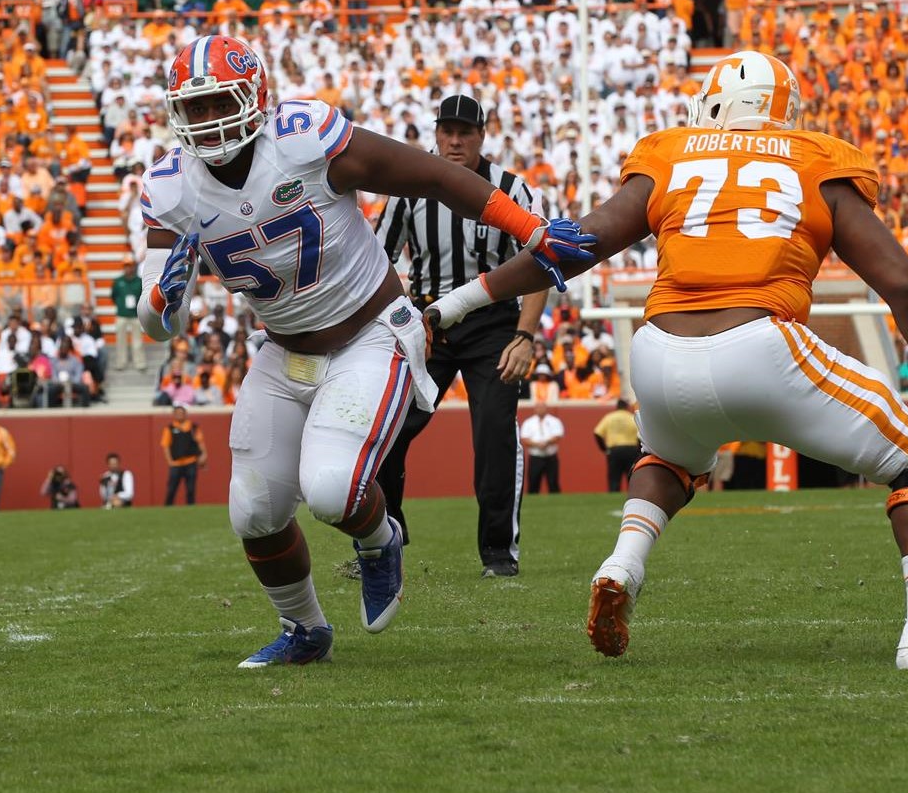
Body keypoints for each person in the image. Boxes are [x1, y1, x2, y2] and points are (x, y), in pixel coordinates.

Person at [429, 49, 908, 670]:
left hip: (656, 352)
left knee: (668, 457)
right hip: (759, 343)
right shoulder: (816, 159)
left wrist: (456, 302)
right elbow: (906, 286)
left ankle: (623, 563)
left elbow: (575, 246)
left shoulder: (671, 153)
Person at [137, 34, 592, 667]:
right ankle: (305, 630)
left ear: (255, 97)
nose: (209, 120)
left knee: (331, 489)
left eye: (221, 102)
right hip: (281, 350)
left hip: (369, 334)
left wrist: (530, 229)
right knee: (254, 510)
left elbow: (434, 175)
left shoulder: (301, 139)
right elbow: (160, 323)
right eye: (196, 107)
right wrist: (161, 299)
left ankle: (381, 540)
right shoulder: (170, 188)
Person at [375, 94, 547, 577]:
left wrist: (525, 336)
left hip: (493, 325)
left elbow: (543, 261)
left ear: (482, 136)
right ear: (435, 133)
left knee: (495, 433)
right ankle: (385, 537)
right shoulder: (407, 189)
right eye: (447, 131)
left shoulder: (511, 189)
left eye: (465, 132)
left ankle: (498, 552)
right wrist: (398, 320)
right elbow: (376, 260)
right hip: (427, 323)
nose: (454, 141)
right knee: (387, 429)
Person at [161, 405, 206, 506]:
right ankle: (167, 508)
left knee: (191, 489)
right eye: (177, 413)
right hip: (176, 463)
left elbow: (200, 442)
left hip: (191, 461)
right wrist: (170, 461)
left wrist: (204, 455)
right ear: (174, 415)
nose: (179, 415)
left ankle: (191, 508)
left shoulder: (193, 427)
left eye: (181, 413)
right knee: (171, 489)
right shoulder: (170, 428)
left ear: (185, 414)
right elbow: (165, 446)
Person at [594, 400, 640, 493]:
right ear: (626, 407)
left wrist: (604, 449)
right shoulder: (631, 417)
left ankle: (613, 495)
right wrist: (638, 450)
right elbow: (640, 435)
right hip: (631, 450)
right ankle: (632, 496)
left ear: (617, 407)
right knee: (631, 476)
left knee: (614, 477)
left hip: (614, 450)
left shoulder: (609, 418)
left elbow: (597, 433)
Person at [519, 401, 564, 494]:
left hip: (550, 456)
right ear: (535, 409)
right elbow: (524, 438)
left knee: (553, 482)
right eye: (538, 408)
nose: (540, 410)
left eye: (542, 407)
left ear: (546, 408)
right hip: (535, 456)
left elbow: (558, 435)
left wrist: (546, 442)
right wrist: (537, 444)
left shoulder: (554, 421)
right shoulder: (529, 422)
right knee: (533, 482)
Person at [111, 260, 146, 371]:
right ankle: (121, 362)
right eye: (126, 266)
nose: (128, 268)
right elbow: (113, 296)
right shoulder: (118, 281)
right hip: (122, 315)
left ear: (133, 267)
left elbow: (143, 296)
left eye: (130, 266)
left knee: (138, 341)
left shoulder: (139, 281)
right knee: (120, 340)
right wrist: (120, 305)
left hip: (135, 315)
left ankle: (139, 363)